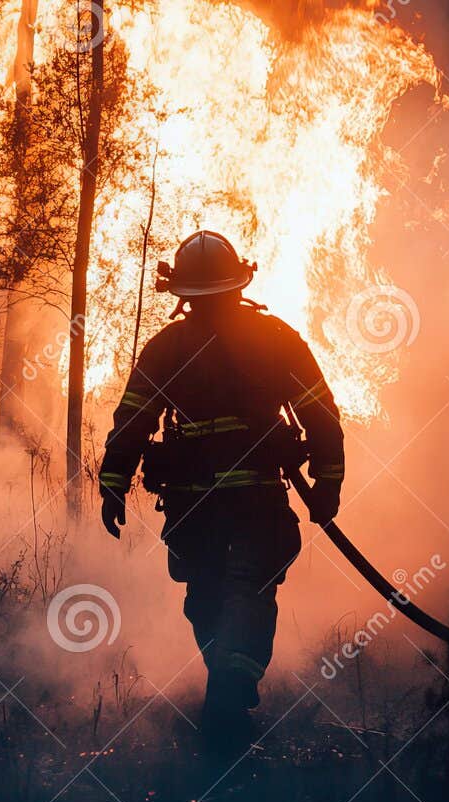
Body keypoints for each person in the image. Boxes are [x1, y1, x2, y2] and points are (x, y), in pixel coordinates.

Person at [98, 230, 345, 733]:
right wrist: (327, 484)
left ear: (182, 293)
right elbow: (321, 417)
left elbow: (132, 422)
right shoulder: (276, 340)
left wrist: (114, 483)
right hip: (255, 503)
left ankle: (225, 697)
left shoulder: (166, 348)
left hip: (195, 510)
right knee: (246, 592)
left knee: (209, 597)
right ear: (237, 284)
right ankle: (230, 689)